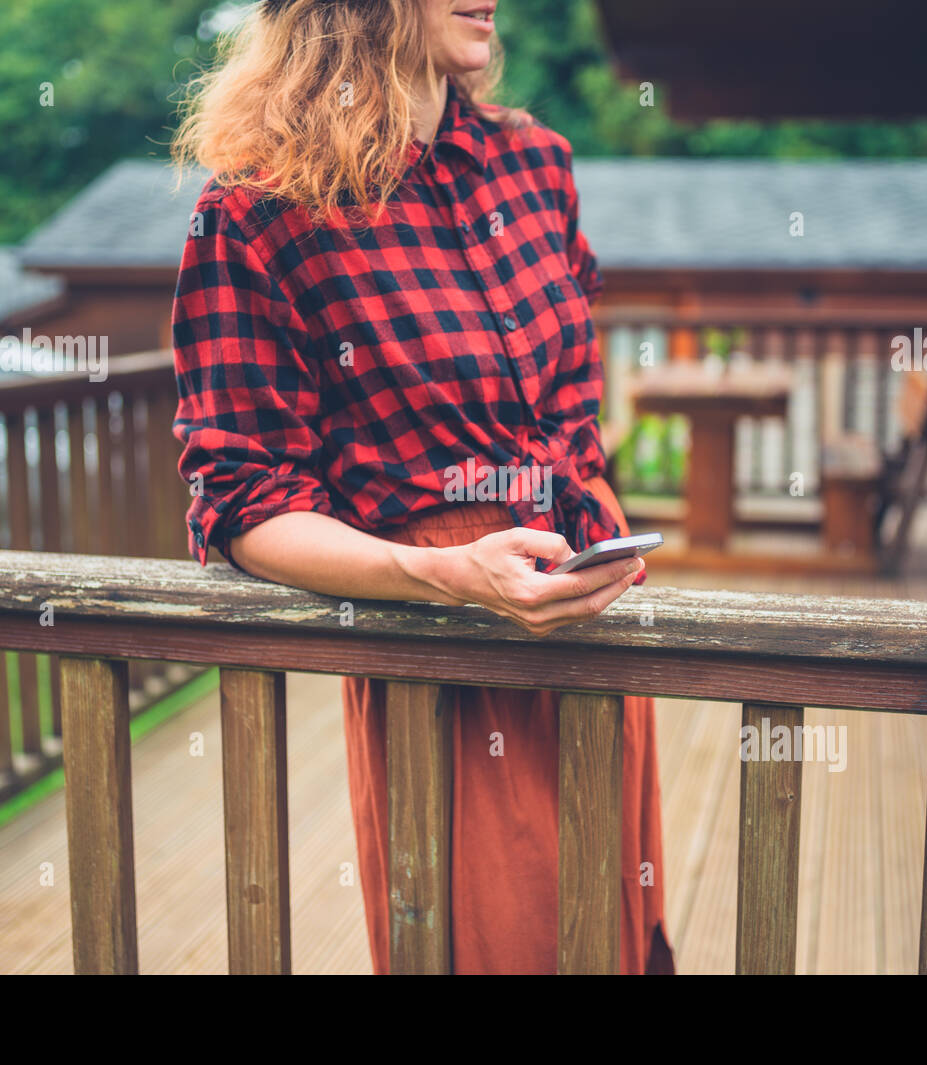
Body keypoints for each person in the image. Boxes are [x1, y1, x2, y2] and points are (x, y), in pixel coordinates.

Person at [170, 0, 674, 974]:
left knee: (623, 937)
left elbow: (572, 422)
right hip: (442, 649)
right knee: (499, 944)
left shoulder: (538, 166)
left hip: (589, 617)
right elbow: (242, 505)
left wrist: (584, 520)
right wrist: (446, 574)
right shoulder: (256, 211)